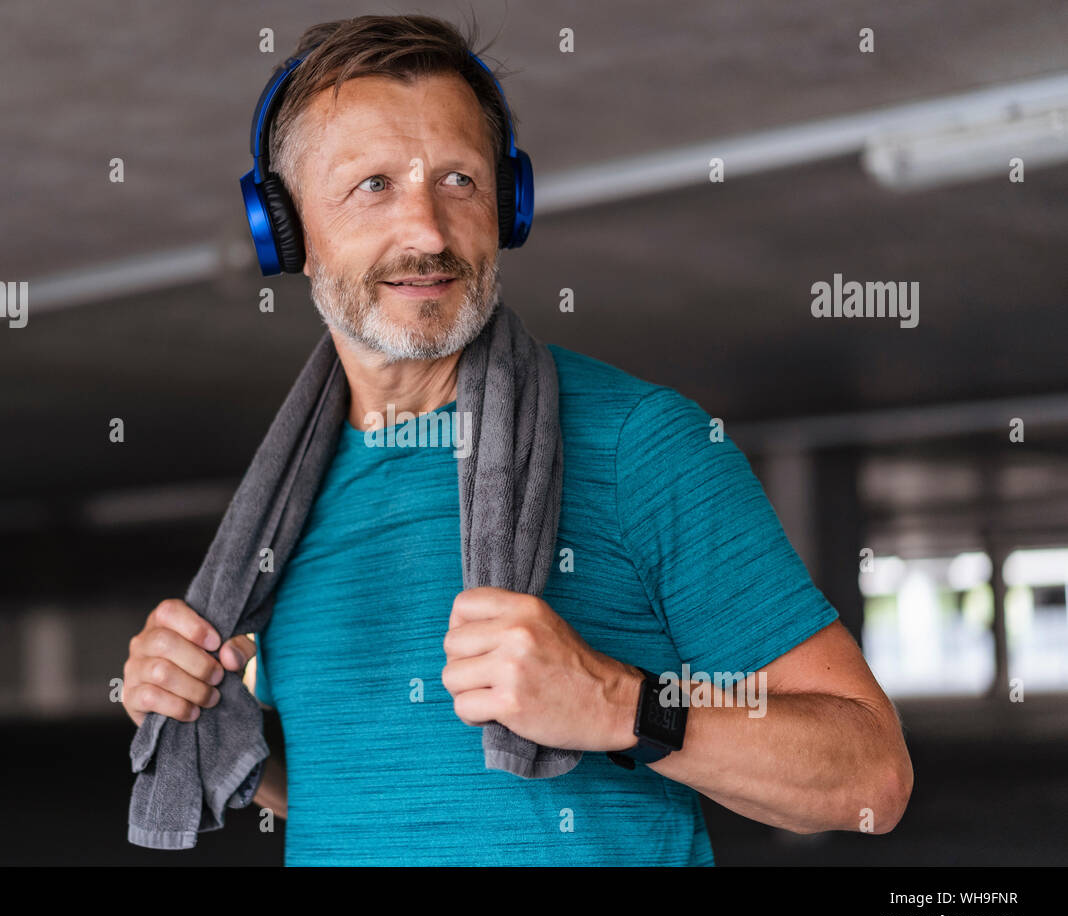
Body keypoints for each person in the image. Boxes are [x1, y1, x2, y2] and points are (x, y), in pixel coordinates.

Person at [120, 13, 912, 865]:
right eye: (373, 185)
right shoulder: (282, 504)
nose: (426, 231)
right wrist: (200, 710)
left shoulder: (641, 444)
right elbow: (352, 786)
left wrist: (620, 706)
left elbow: (871, 779)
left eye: (458, 180)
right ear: (285, 230)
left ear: (508, 207)